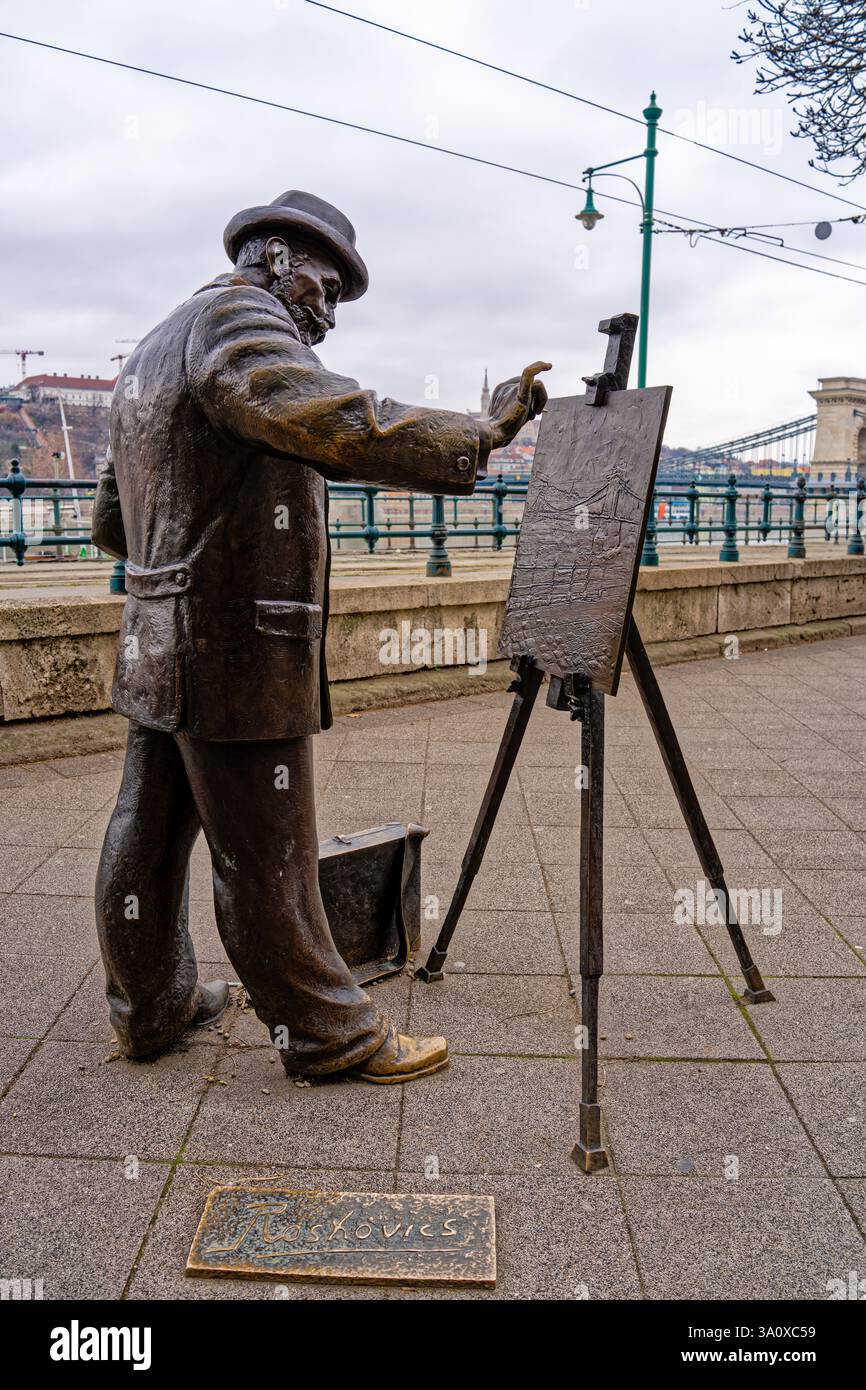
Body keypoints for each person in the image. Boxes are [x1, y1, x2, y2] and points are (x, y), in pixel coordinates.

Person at [92, 188, 549, 1084]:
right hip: (228, 646)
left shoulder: (149, 349)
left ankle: (149, 1007)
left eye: (338, 294)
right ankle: (328, 1034)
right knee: (270, 854)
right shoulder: (236, 322)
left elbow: (115, 520)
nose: (327, 310)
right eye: (323, 283)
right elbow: (342, 419)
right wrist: (481, 431)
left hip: (157, 634)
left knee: (145, 829)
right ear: (269, 257)